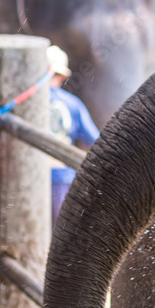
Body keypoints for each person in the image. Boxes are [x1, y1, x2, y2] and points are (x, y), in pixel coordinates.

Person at [47, 45, 100, 223]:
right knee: (58, 236)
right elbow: (93, 142)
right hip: (60, 179)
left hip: (27, 179)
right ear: (62, 75)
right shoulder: (72, 104)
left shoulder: (23, 103)